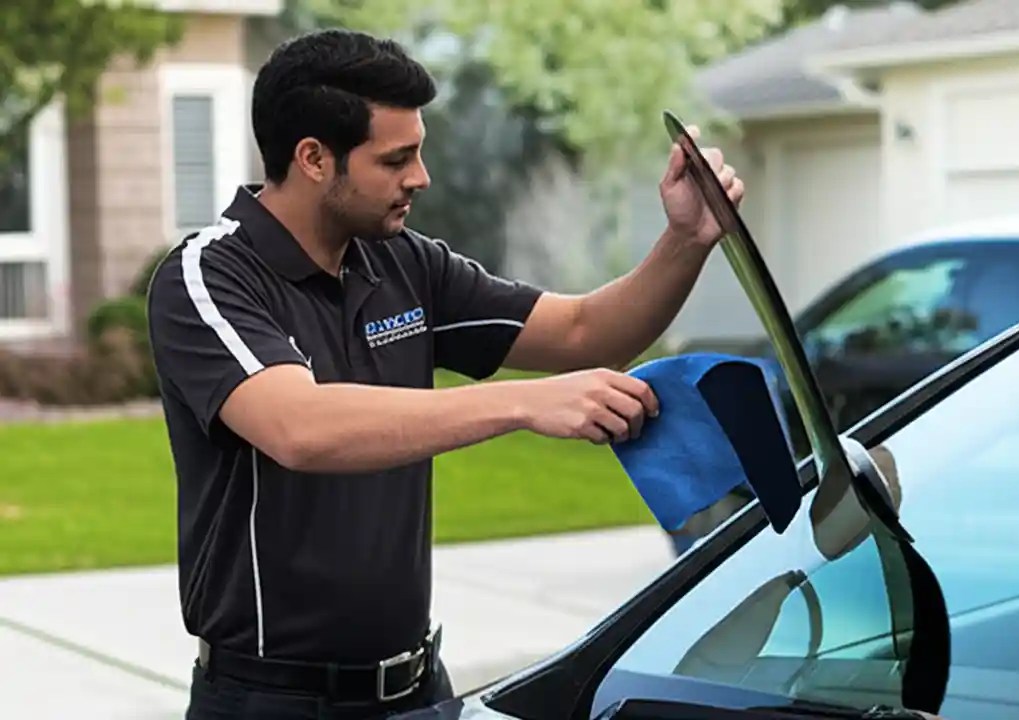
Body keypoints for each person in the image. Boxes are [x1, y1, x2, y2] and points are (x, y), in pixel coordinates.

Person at [145, 28, 744, 720]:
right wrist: (520, 405)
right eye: (395, 159)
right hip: (269, 702)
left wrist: (686, 240)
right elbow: (298, 427)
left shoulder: (403, 263)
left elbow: (584, 334)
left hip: (418, 689)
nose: (420, 178)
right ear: (313, 158)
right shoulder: (209, 275)